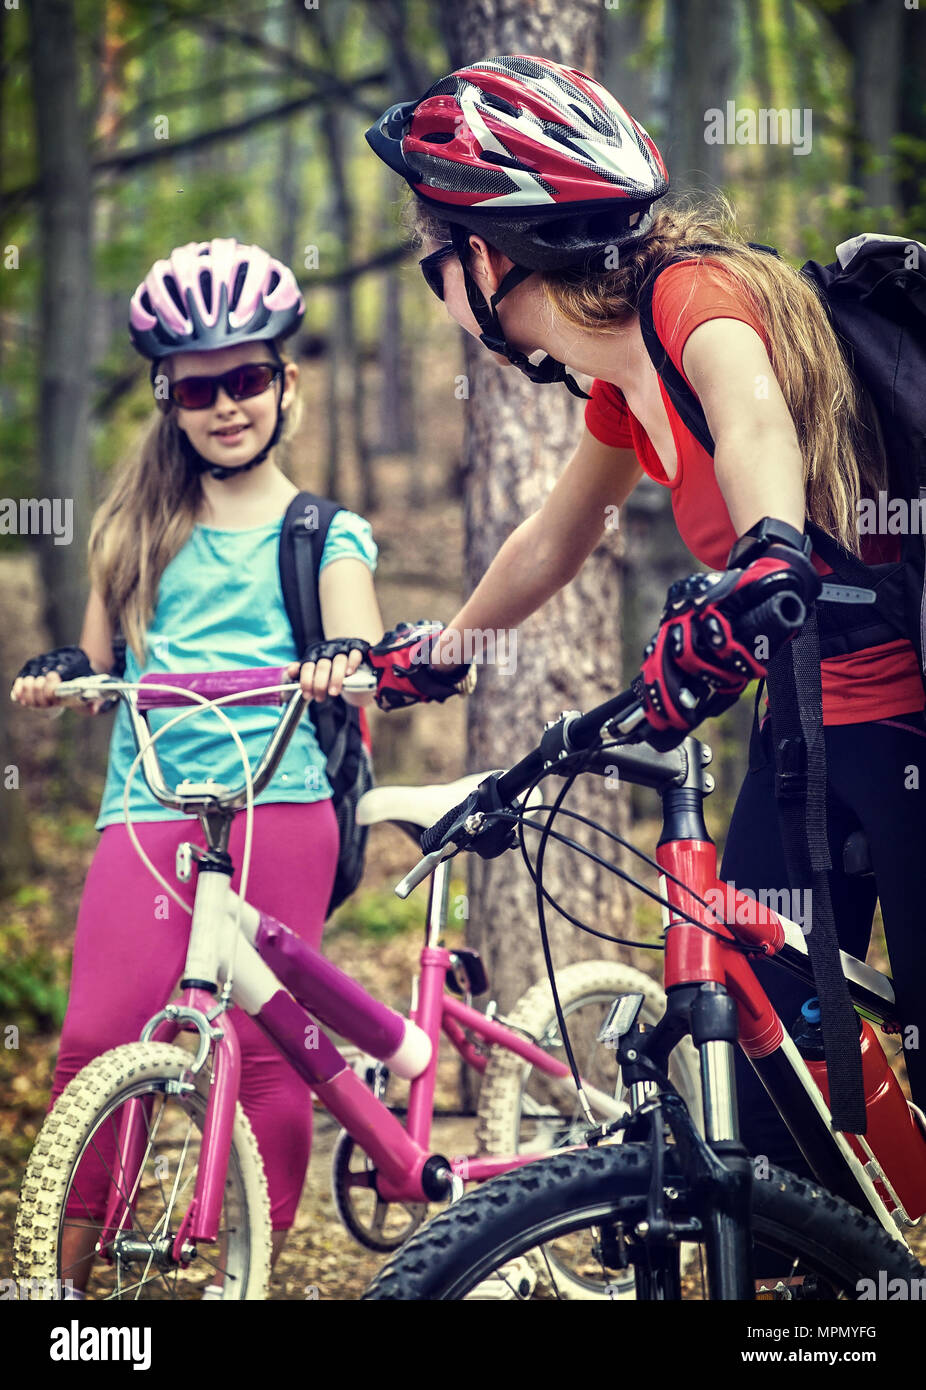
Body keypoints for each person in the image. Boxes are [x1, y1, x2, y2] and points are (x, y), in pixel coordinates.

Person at [366, 56, 926, 1184]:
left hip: (904, 712)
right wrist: (446, 649)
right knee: (778, 1044)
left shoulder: (691, 298)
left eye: (433, 258)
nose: (435, 290)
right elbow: (551, 537)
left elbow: (752, 414)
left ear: (484, 257)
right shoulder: (622, 379)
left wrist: (765, 554)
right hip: (803, 732)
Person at [10, 238, 388, 1297]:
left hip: (283, 807)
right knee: (94, 1040)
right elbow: (95, 660)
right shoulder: (134, 527)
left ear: (285, 383)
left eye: (247, 379)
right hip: (149, 809)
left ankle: (244, 1275)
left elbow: (356, 644)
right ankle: (56, 1286)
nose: (226, 405)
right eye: (198, 389)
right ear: (168, 400)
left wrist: (345, 661)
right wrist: (62, 674)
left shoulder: (323, 532)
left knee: (266, 1054)